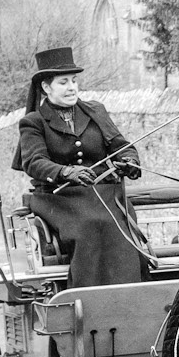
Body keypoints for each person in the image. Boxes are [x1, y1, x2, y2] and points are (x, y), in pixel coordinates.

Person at [12, 46, 148, 287]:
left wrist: (129, 161)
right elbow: (34, 162)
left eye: (74, 81)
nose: (72, 87)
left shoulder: (95, 111)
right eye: (63, 82)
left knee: (123, 227)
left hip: (103, 195)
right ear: (46, 87)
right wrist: (66, 172)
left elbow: (122, 146)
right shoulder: (33, 122)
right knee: (90, 226)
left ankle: (132, 294)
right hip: (59, 198)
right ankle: (88, 299)